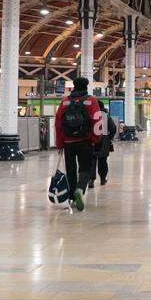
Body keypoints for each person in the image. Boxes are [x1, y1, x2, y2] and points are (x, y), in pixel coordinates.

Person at [54, 77, 102, 212]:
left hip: (68, 142)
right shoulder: (91, 101)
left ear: (73, 86)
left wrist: (59, 143)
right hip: (84, 141)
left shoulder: (65, 101)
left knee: (71, 169)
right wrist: (95, 138)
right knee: (85, 168)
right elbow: (98, 120)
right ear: (86, 87)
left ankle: (71, 198)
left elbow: (58, 123)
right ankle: (80, 189)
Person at [92, 100, 115, 187]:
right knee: (103, 161)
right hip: (104, 141)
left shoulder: (92, 115)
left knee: (92, 161)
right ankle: (102, 179)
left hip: (93, 141)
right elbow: (113, 128)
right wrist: (109, 137)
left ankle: (91, 180)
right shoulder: (106, 116)